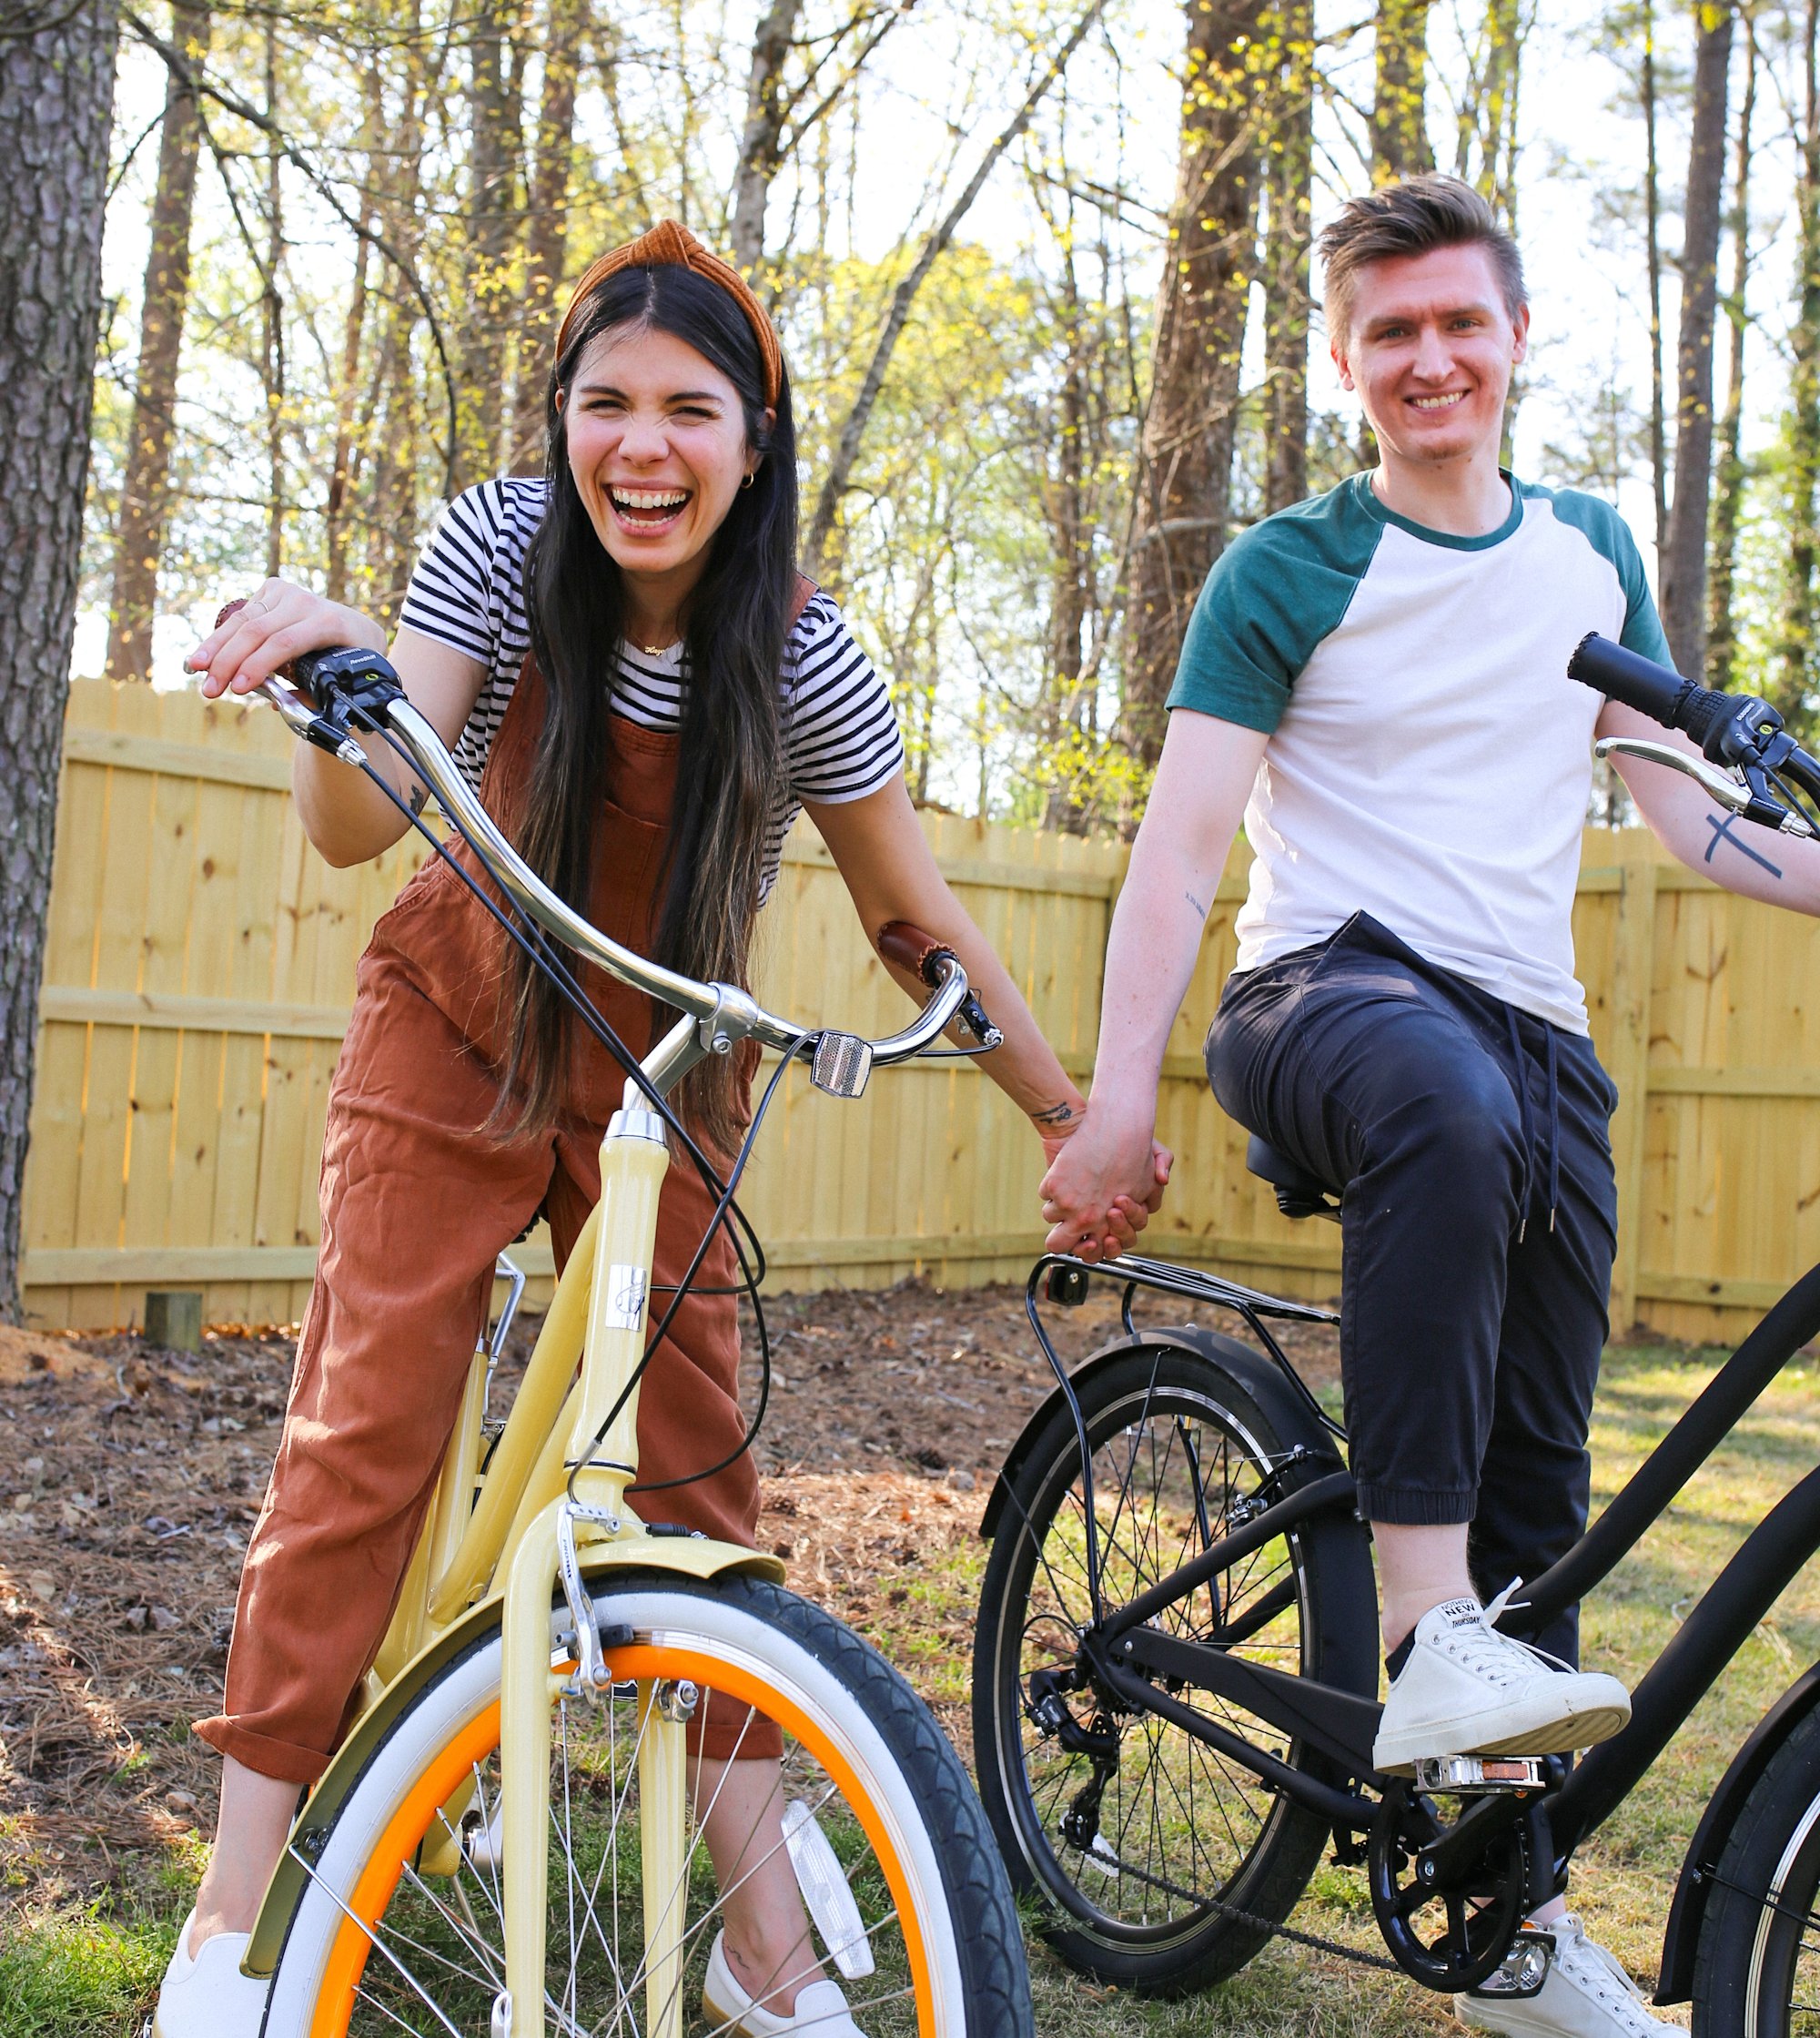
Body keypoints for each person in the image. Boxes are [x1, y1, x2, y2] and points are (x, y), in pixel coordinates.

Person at [154, 219, 1162, 2038]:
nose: (642, 443)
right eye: (603, 400)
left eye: (688, 408)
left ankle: (764, 1949)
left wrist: (1067, 1118)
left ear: (751, 440)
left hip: (671, 1063)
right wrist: (333, 677)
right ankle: (231, 1935)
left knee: (698, 1480)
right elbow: (346, 830)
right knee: (362, 1431)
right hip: (451, 1030)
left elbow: (910, 917)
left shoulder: (808, 660)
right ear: (561, 419)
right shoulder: (492, 547)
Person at [1038, 173, 1820, 2036]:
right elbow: (1180, 845)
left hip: (1529, 1044)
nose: (1429, 356)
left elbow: (1682, 814)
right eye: (1389, 330)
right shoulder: (1291, 568)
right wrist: (1110, 1100)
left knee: (1543, 1494)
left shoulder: (1586, 556)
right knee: (1446, 1107)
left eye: (1459, 321)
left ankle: (1514, 1916)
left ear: (1516, 338)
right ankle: (1419, 1630)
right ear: (1343, 359)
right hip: (1326, 996)